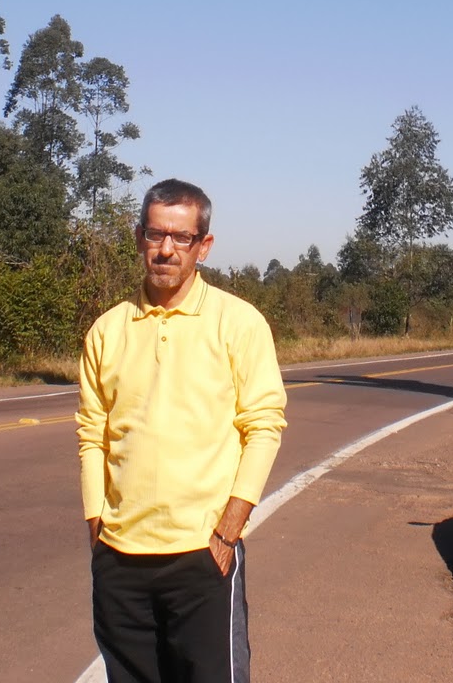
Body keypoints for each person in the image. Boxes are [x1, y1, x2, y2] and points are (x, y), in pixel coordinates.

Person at [77, 178, 287, 683]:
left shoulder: (238, 323)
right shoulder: (108, 330)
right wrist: (96, 531)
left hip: (201, 557)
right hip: (121, 563)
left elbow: (264, 425)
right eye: (155, 235)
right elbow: (92, 435)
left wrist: (228, 529)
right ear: (139, 239)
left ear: (203, 246)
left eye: (181, 238)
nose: (166, 250)